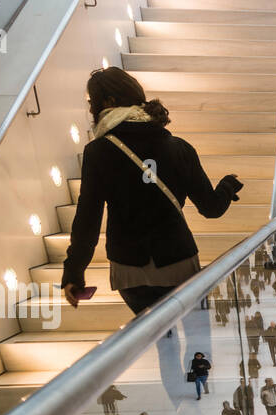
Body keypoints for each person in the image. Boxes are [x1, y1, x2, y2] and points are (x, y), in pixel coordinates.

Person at [61, 68, 242, 334]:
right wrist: (227, 185)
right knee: (196, 336)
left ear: (109, 103)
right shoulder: (178, 147)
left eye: (92, 102)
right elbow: (211, 208)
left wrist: (73, 272)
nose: (90, 109)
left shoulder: (97, 152)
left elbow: (88, 220)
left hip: (128, 268)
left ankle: (168, 373)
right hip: (178, 260)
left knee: (157, 338)